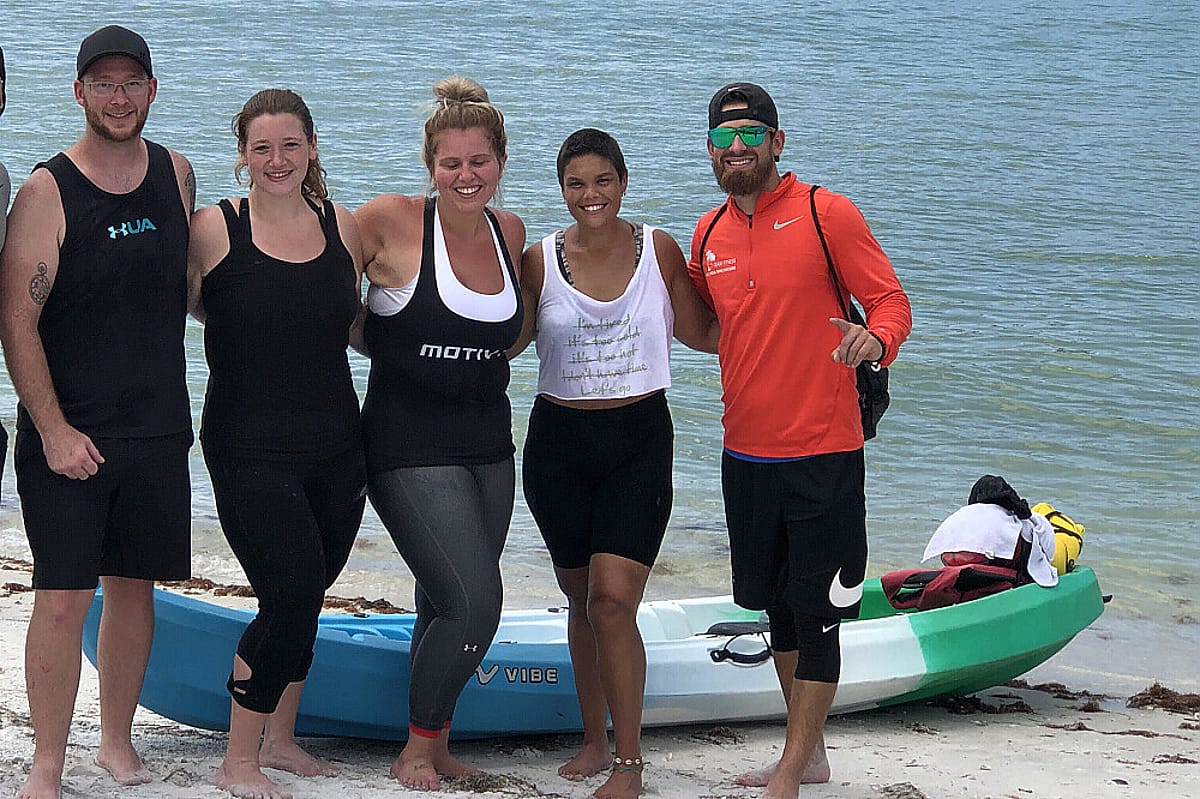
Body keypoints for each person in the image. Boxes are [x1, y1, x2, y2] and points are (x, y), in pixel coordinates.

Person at [687, 82, 912, 799]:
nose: (737, 148)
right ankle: (807, 755)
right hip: (745, 454)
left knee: (818, 615)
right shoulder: (707, 233)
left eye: (751, 134)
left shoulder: (826, 212)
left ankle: (790, 769)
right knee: (777, 609)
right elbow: (709, 326)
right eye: (723, 138)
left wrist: (876, 340)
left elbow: (890, 300)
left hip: (824, 454)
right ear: (709, 151)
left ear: (777, 142)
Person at [0, 25, 195, 799]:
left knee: (135, 589)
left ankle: (116, 741)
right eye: (104, 84)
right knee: (62, 596)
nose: (119, 97)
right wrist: (52, 430)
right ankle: (47, 764)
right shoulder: (45, 191)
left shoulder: (176, 173)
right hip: (69, 433)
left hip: (157, 428)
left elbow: (190, 288)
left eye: (131, 83)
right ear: (79, 92)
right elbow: (16, 320)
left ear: (152, 90)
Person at [509, 128, 717, 799]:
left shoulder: (659, 249)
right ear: (561, 190)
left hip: (638, 442)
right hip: (557, 447)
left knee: (613, 601)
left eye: (602, 180)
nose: (590, 194)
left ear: (623, 182)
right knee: (580, 599)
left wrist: (790, 321)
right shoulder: (538, 260)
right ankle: (593, 739)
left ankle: (629, 761)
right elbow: (506, 341)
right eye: (576, 183)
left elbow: (705, 331)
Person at [187, 88, 367, 799]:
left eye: (291, 144)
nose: (277, 159)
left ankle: (282, 740)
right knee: (288, 594)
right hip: (246, 446)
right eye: (261, 147)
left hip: (338, 446)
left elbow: (359, 321)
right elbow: (184, 306)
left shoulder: (343, 225)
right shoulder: (213, 228)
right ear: (242, 156)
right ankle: (238, 760)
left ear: (312, 148)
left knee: (310, 593)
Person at [353, 76, 525, 792]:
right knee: (476, 603)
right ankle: (415, 753)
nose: (465, 175)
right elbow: (319, 287)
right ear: (430, 165)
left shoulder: (509, 232)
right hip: (406, 443)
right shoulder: (388, 220)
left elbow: (512, 336)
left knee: (442, 598)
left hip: (490, 445)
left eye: (478, 161)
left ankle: (436, 741)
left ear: (500, 161)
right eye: (450, 163)